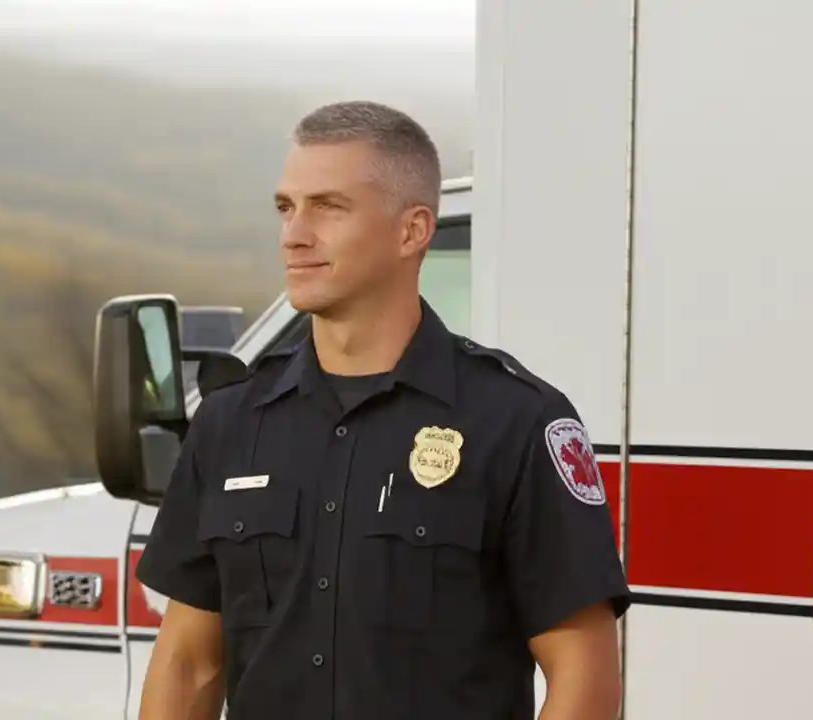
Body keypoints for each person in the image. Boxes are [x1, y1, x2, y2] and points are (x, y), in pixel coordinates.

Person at [136, 100, 630, 720]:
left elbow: (583, 675)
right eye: (287, 208)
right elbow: (189, 664)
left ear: (412, 230)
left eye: (328, 207)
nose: (294, 234)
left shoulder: (515, 422)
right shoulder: (231, 422)